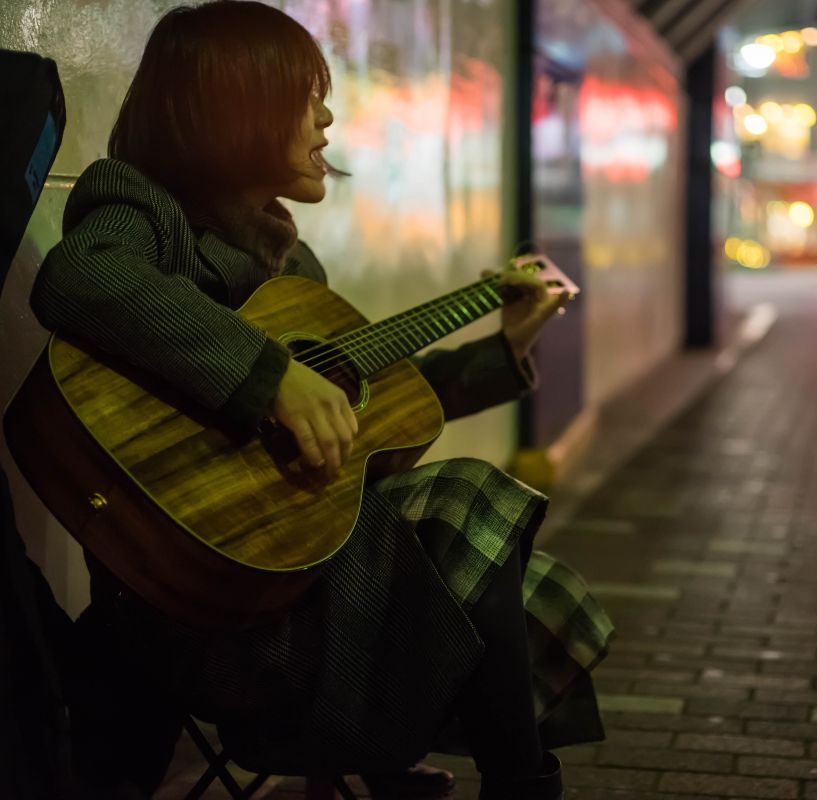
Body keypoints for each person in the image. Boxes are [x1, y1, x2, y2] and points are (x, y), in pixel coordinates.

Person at [27, 2, 613, 798]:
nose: (328, 116)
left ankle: (473, 775)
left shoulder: (293, 268)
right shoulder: (141, 211)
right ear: (238, 106)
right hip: (205, 601)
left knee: (473, 538)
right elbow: (81, 277)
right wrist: (269, 378)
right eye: (308, 94)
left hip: (297, 579)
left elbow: (378, 406)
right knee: (468, 513)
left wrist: (505, 350)